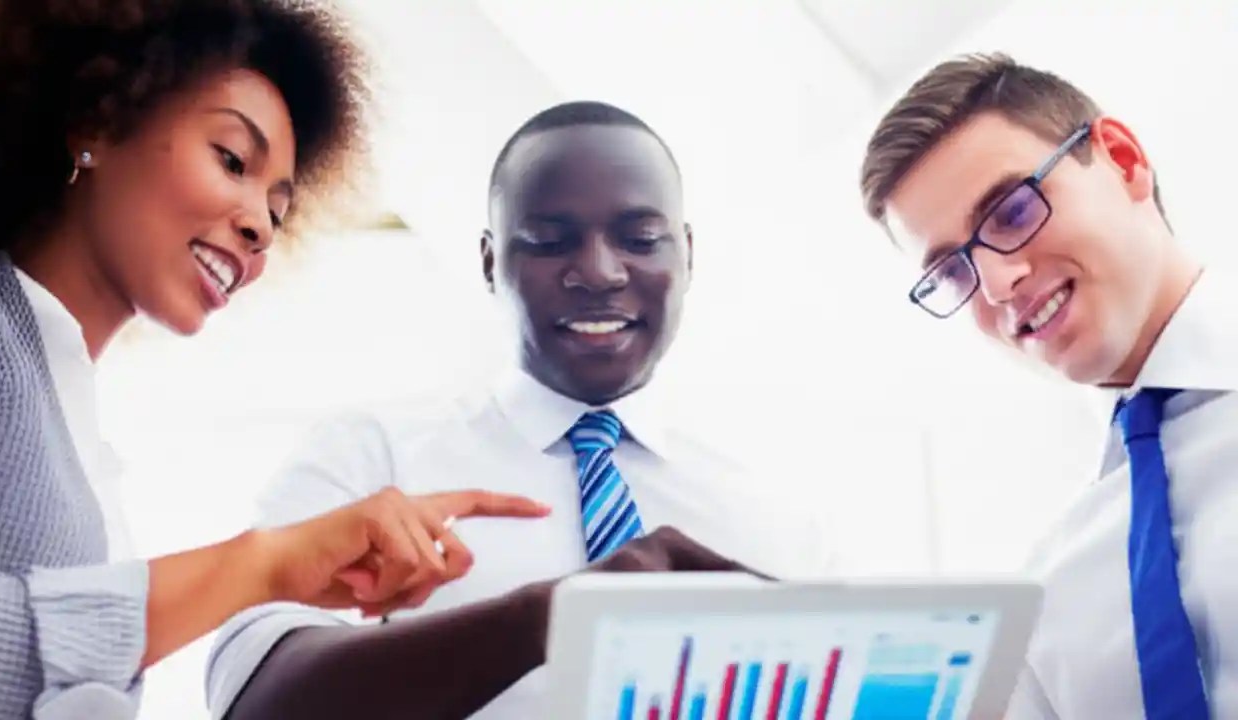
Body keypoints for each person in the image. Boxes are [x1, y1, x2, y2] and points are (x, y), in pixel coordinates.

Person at [0, 3, 547, 718]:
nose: (259, 226)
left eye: (279, 209)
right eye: (232, 159)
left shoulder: (72, 421)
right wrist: (262, 565)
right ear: (94, 121)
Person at [207, 101, 829, 719]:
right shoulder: (370, 455)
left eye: (639, 239)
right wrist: (551, 616)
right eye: (549, 242)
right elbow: (251, 701)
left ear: (686, 256)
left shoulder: (772, 504)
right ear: (489, 262)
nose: (598, 272)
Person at [858, 52, 1237, 719]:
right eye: (953, 271)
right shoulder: (1051, 588)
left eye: (1009, 212)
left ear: (1122, 160)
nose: (997, 284)